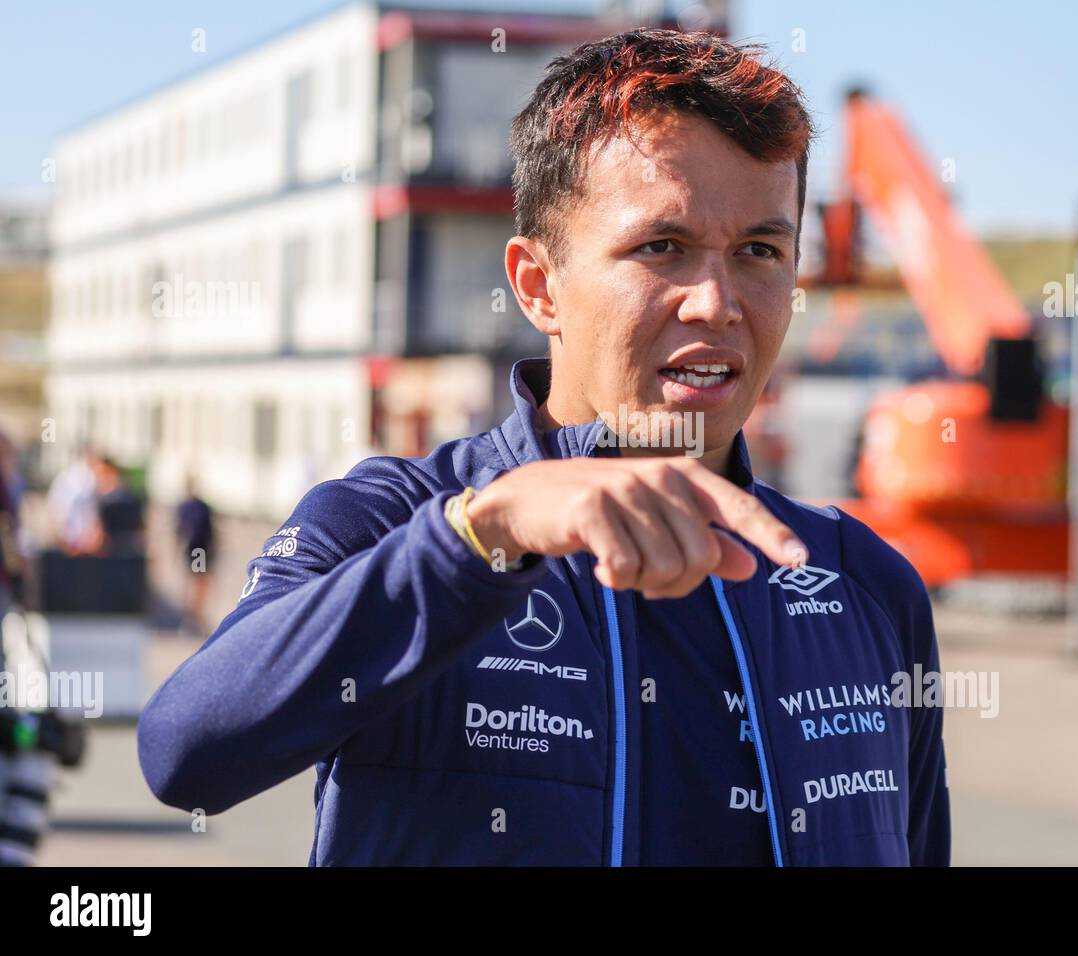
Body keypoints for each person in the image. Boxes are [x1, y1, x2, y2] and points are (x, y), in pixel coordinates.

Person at [137, 29, 950, 866]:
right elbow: (183, 753)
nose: (716, 301)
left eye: (760, 251)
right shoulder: (390, 522)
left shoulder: (864, 583)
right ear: (538, 285)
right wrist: (484, 536)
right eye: (661, 248)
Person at [175, 476, 216, 636]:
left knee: (196, 583)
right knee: (198, 584)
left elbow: (178, 531)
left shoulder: (188, 506)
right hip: (198, 549)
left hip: (196, 549)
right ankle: (193, 618)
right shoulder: (197, 507)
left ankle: (193, 617)